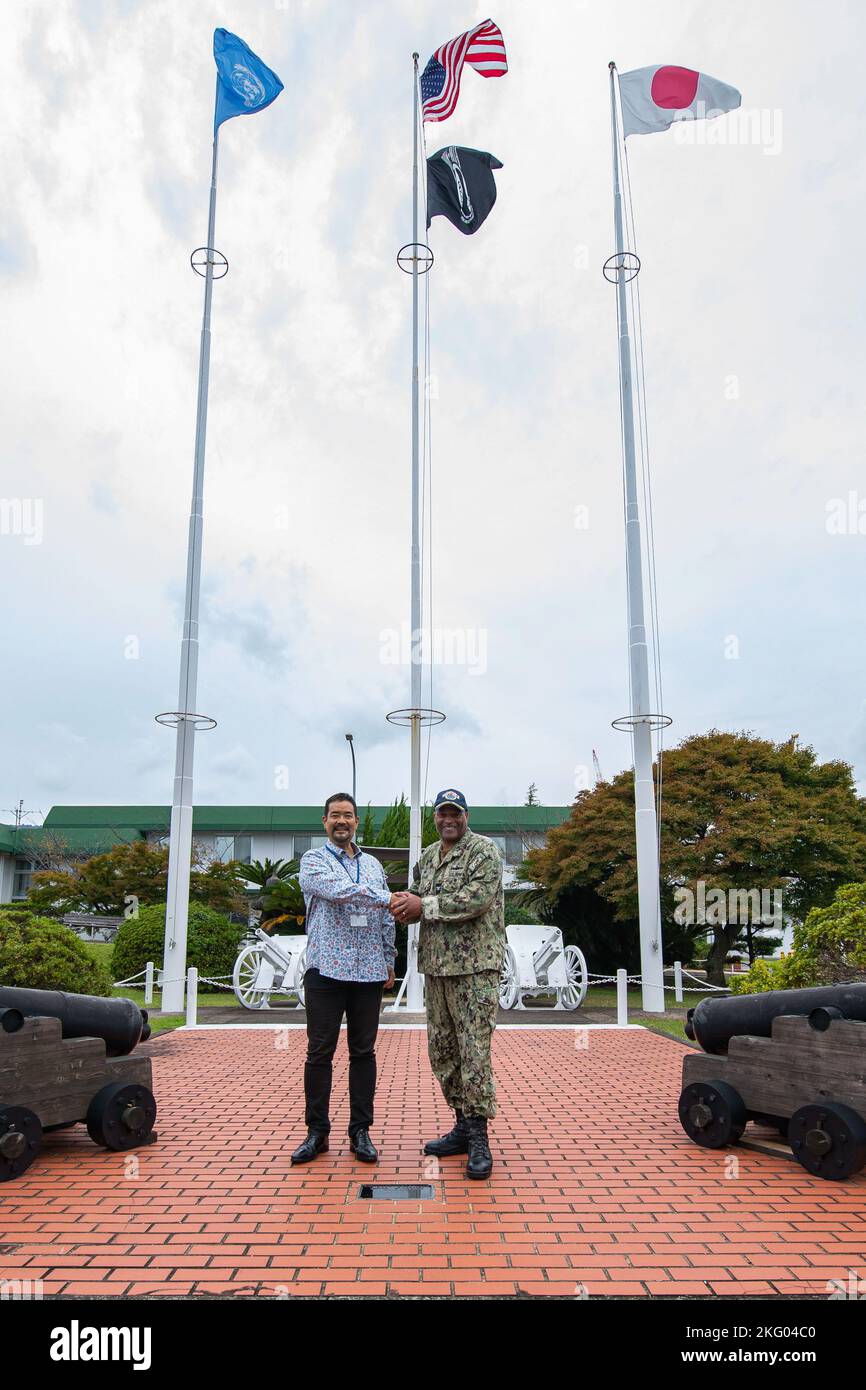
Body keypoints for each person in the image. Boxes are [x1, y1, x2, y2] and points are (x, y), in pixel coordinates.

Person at [392, 789, 504, 1179]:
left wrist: (424, 907)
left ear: (466, 816)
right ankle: (460, 1125)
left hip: (475, 970)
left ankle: (478, 1137)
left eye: (455, 813)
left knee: (474, 1054)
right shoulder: (426, 856)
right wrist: (402, 906)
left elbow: (476, 899)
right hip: (436, 970)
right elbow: (417, 898)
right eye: (442, 813)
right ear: (435, 817)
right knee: (443, 1052)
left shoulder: (484, 851)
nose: (449, 819)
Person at [291, 792, 399, 1166]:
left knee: (363, 1053)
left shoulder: (372, 864)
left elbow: (387, 918)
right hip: (326, 971)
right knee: (319, 1052)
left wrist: (389, 958)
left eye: (348, 816)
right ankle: (316, 1133)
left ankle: (361, 1132)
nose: (342, 821)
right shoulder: (312, 861)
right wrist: (386, 898)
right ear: (324, 821)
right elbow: (337, 891)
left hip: (369, 971)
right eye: (335, 815)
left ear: (356, 822)